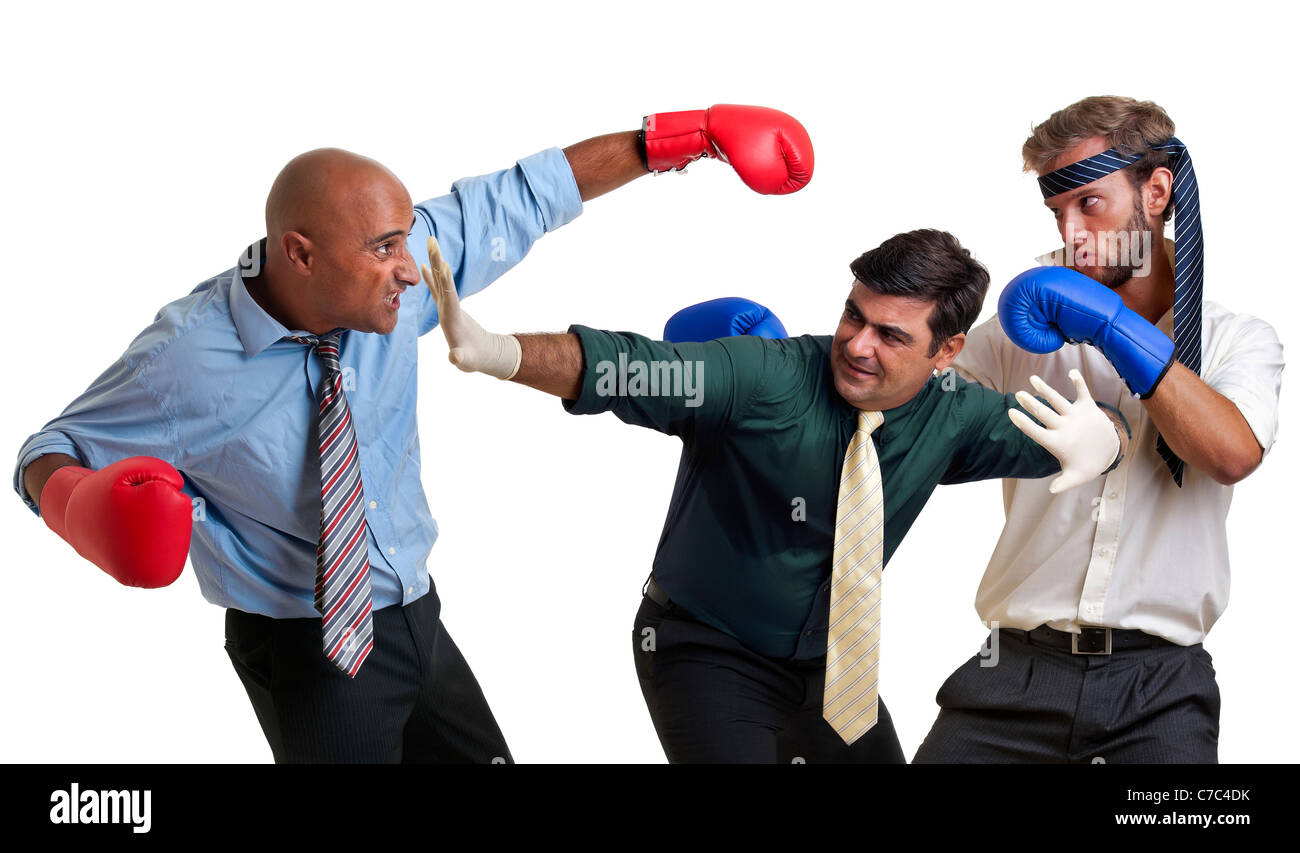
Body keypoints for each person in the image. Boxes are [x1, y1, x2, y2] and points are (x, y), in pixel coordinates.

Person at [13, 104, 816, 763]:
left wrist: (681, 137)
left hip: (412, 614)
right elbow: (47, 450)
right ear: (301, 254)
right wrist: (83, 506)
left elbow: (528, 194)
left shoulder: (397, 282)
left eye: (407, 238)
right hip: (306, 643)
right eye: (383, 247)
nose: (410, 266)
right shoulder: (184, 361)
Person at [422, 226, 1132, 763]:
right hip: (706, 650)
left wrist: (1109, 438)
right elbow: (630, 367)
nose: (857, 344)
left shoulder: (955, 413)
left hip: (832, 672)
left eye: (891, 335)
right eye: (855, 316)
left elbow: (1090, 430)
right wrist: (500, 353)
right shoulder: (766, 376)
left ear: (945, 352)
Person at [914, 96, 1286, 764]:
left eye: (1090, 203)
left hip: (1162, 689)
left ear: (1157, 191)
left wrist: (1113, 329)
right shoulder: (1018, 338)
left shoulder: (1238, 340)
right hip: (1012, 676)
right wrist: (787, 368)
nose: (1072, 232)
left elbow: (1230, 453)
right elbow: (912, 420)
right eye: (1058, 213)